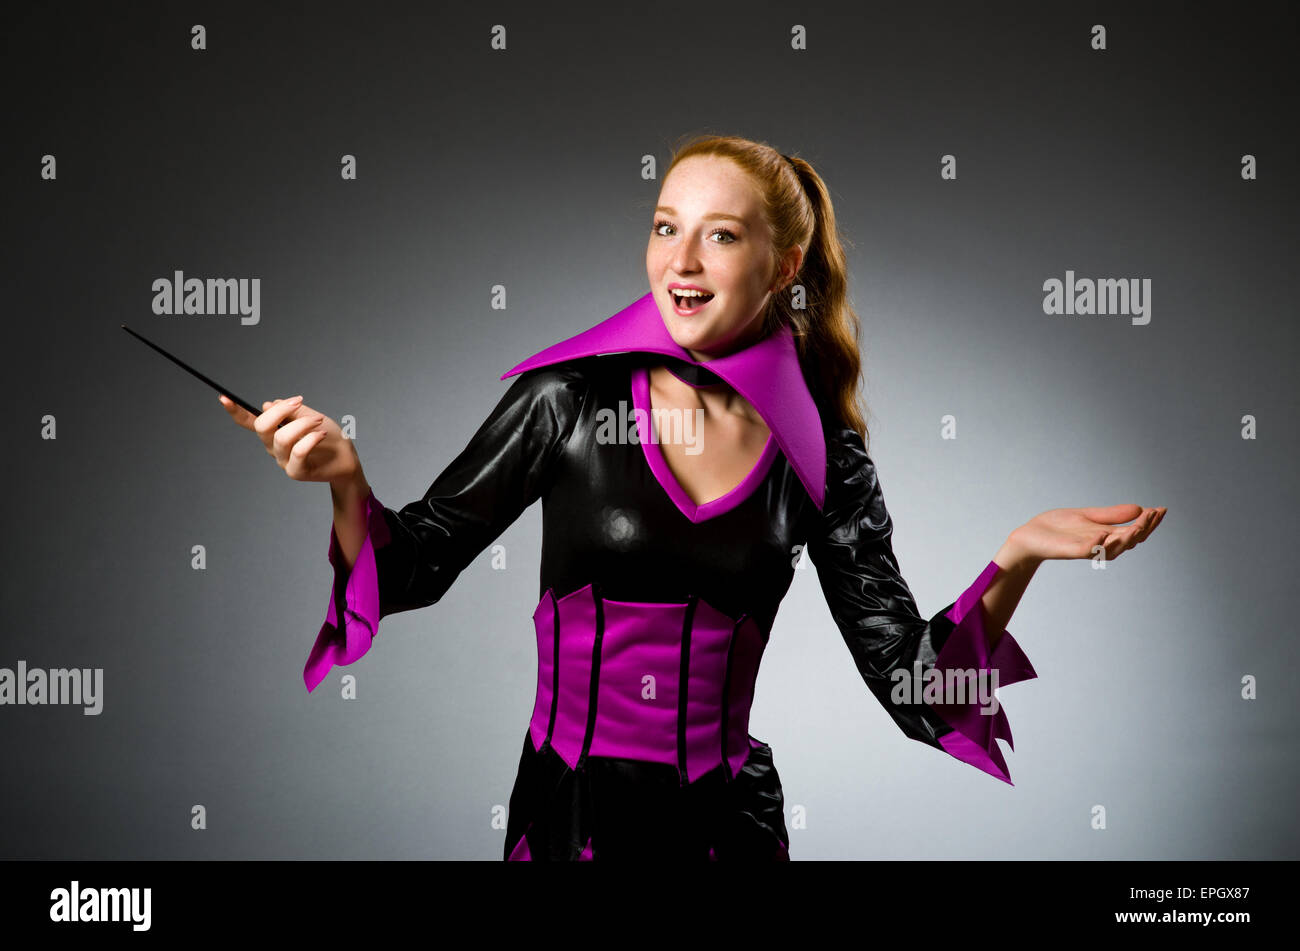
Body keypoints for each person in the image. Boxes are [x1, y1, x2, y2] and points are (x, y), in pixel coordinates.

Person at [219, 134, 1166, 861]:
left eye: (721, 235)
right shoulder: (566, 403)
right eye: (666, 226)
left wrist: (1018, 556)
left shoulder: (822, 458)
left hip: (730, 831)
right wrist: (345, 479)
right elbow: (413, 563)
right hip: (566, 821)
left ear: (783, 264)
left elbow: (915, 689)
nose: (682, 259)